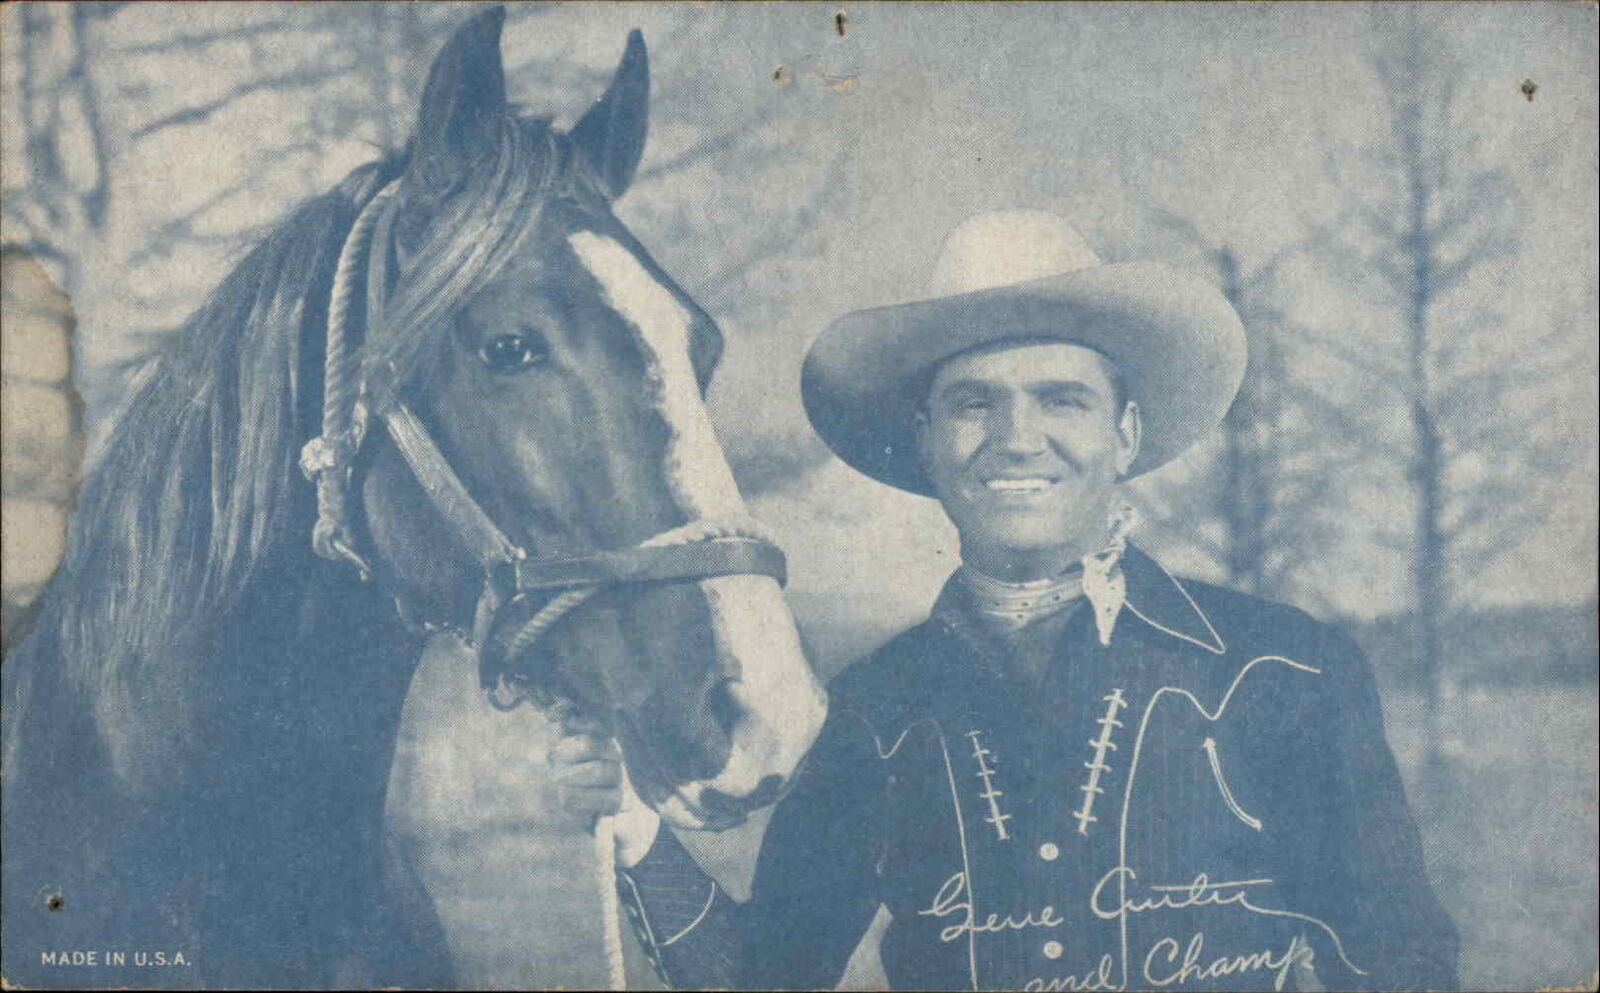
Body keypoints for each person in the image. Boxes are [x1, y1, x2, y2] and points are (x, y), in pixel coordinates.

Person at [551, 210, 1460, 991]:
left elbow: (1399, 968)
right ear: (926, 439)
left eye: (1061, 399)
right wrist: (635, 825)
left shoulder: (1283, 672)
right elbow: (761, 977)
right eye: (974, 404)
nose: (1017, 438)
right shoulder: (873, 712)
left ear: (1125, 433)